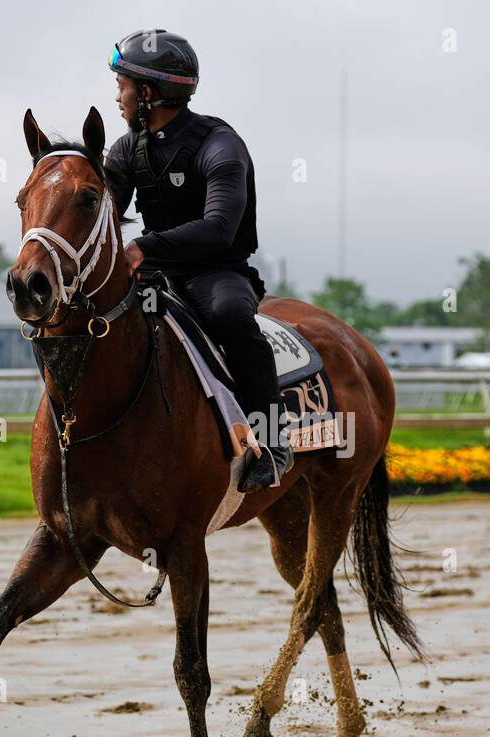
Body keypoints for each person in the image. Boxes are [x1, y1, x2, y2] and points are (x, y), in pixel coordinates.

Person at [103, 28, 293, 493]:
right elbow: (102, 216)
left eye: (123, 86)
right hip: (153, 273)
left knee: (230, 315)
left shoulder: (220, 143)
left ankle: (272, 440)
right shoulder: (126, 149)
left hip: (218, 272)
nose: (117, 97)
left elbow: (218, 229)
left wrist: (145, 247)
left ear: (148, 93)